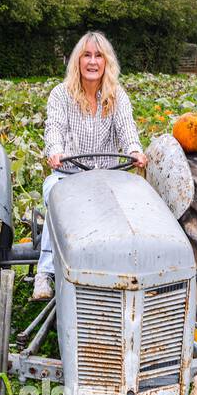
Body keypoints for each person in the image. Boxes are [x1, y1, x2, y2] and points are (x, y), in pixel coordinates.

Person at [35, 31, 147, 300]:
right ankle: (46, 273)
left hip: (108, 178)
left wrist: (135, 150)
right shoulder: (60, 95)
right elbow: (54, 129)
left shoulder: (117, 96)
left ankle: (134, 268)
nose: (92, 61)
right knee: (54, 192)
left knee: (137, 199)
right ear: (78, 61)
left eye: (98, 56)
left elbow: (127, 129)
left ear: (107, 62)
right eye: (87, 55)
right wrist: (56, 151)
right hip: (68, 176)